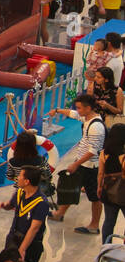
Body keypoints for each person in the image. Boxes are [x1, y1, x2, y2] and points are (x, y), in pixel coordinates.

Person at [49, 92, 105, 237]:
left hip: (90, 167)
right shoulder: (87, 117)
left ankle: (94, 225)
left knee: (94, 197)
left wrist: (76, 164)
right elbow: (73, 114)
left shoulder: (96, 127)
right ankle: (60, 213)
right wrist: (57, 110)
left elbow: (94, 150)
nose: (78, 110)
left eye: (80, 108)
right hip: (82, 163)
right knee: (70, 187)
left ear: (88, 108)